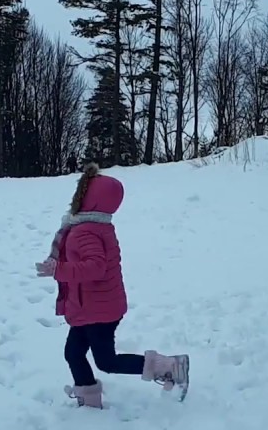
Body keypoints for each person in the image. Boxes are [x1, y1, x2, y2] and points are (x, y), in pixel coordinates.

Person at [35, 164, 190, 407]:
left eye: (81, 193)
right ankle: (89, 400)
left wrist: (59, 270)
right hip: (91, 307)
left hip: (98, 311)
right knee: (73, 353)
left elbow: (95, 267)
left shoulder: (85, 232)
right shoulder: (93, 227)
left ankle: (170, 367)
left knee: (106, 361)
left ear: (88, 199)